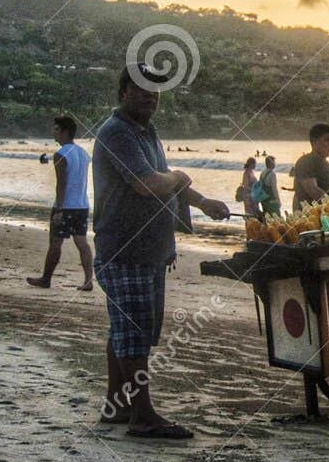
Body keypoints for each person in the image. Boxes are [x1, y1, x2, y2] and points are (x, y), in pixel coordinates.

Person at [92, 64, 231, 440]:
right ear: (124, 92)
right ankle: (142, 416)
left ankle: (117, 405)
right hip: (125, 250)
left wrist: (202, 202)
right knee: (134, 332)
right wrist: (178, 177)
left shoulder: (145, 132)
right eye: (142, 90)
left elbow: (165, 180)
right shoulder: (117, 132)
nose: (151, 98)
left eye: (155, 92)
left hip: (148, 251)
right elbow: (146, 183)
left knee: (124, 329)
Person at [28, 114, 94, 291]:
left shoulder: (61, 154)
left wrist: (59, 209)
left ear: (65, 132)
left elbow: (62, 183)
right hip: (82, 205)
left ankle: (46, 279)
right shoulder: (83, 153)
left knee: (55, 243)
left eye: (56, 129)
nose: (54, 132)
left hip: (66, 206)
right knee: (82, 243)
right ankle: (88, 280)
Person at [290, 123, 329, 211]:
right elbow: (312, 189)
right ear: (314, 142)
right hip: (311, 214)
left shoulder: (328, 165)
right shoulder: (306, 161)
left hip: (327, 213)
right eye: (327, 140)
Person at [259, 155, 281, 219]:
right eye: (274, 162)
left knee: (267, 218)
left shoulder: (262, 173)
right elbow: (274, 189)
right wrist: (278, 200)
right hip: (271, 201)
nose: (275, 163)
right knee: (276, 219)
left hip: (264, 200)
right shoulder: (272, 174)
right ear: (272, 163)